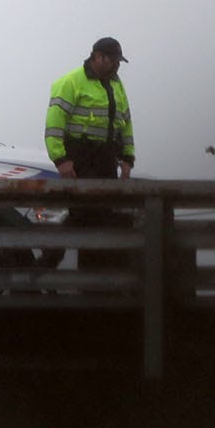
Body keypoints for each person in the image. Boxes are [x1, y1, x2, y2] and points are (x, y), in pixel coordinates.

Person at [46, 37, 134, 271]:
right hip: (81, 159)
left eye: (119, 61)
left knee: (101, 216)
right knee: (85, 215)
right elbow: (54, 126)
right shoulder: (71, 82)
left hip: (106, 160)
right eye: (114, 60)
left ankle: (92, 280)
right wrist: (61, 160)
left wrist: (127, 158)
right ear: (97, 57)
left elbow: (125, 122)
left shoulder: (116, 84)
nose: (117, 65)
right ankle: (51, 266)